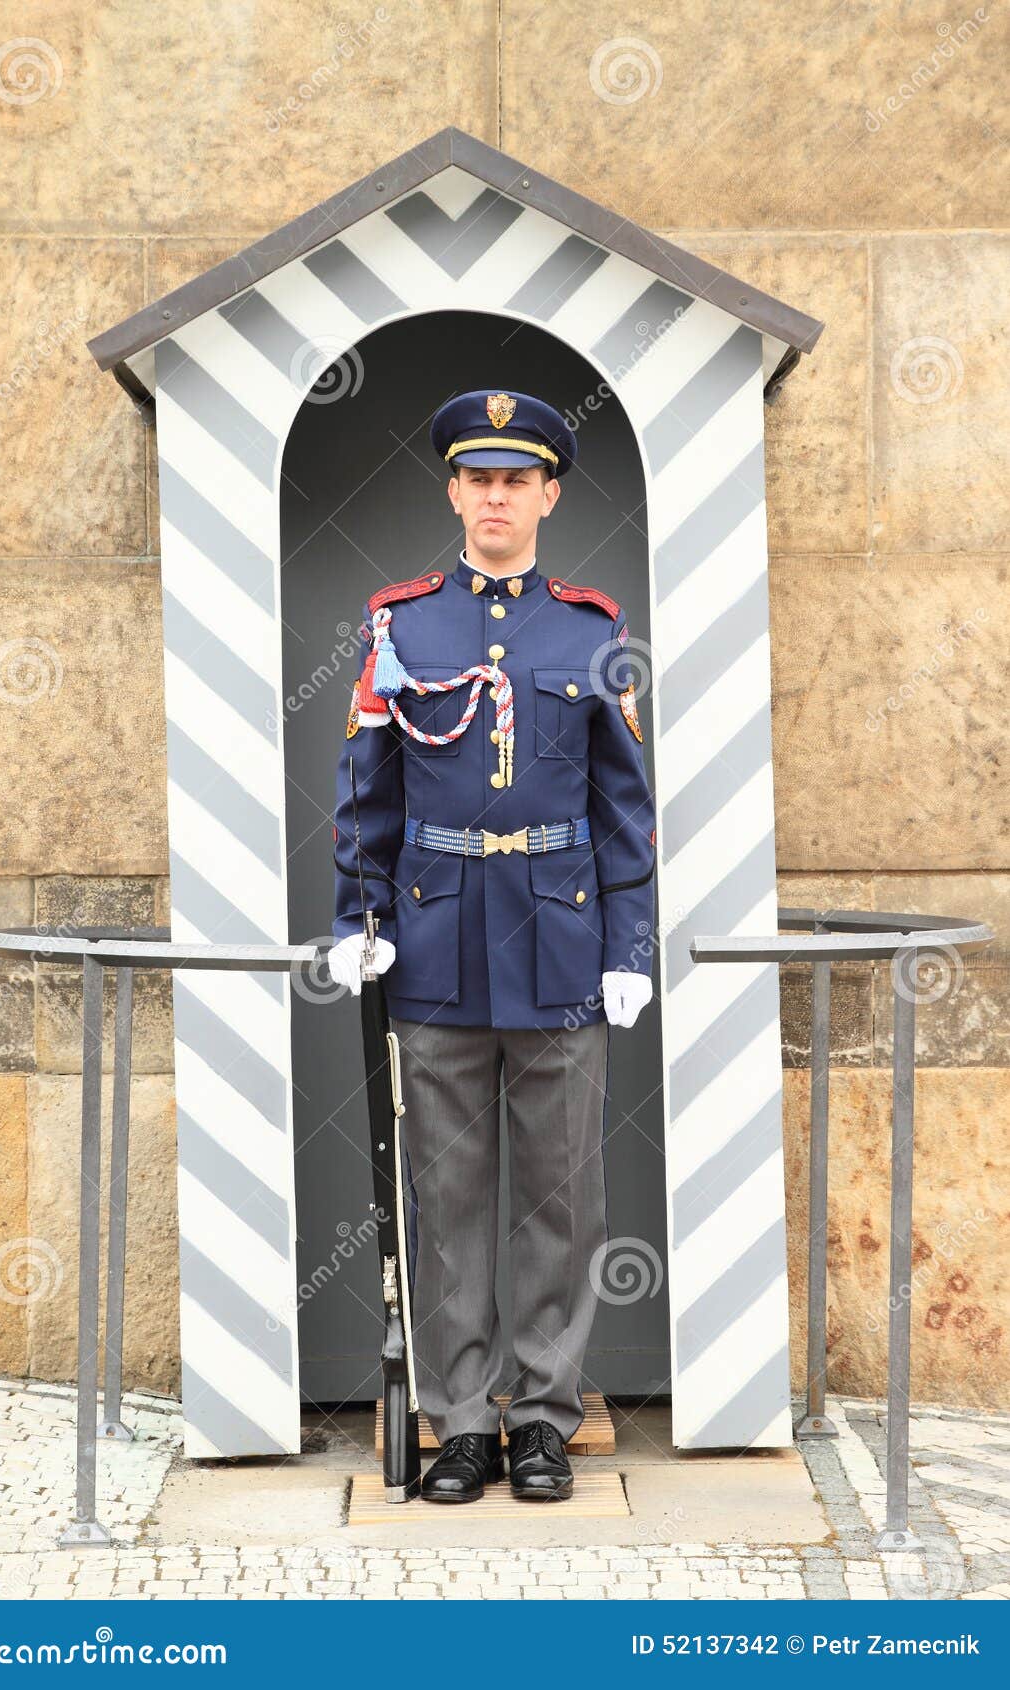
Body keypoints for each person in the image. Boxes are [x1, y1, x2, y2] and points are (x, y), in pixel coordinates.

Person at [327, 389, 656, 1502]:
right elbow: (364, 795)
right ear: (454, 491)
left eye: (517, 479)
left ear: (549, 493)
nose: (496, 496)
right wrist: (353, 918)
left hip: (563, 946)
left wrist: (630, 947)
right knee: (448, 1194)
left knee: (562, 1201)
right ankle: (461, 1420)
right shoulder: (399, 627)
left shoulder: (592, 633)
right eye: (478, 478)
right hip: (432, 943)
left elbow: (624, 810)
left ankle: (544, 1420)